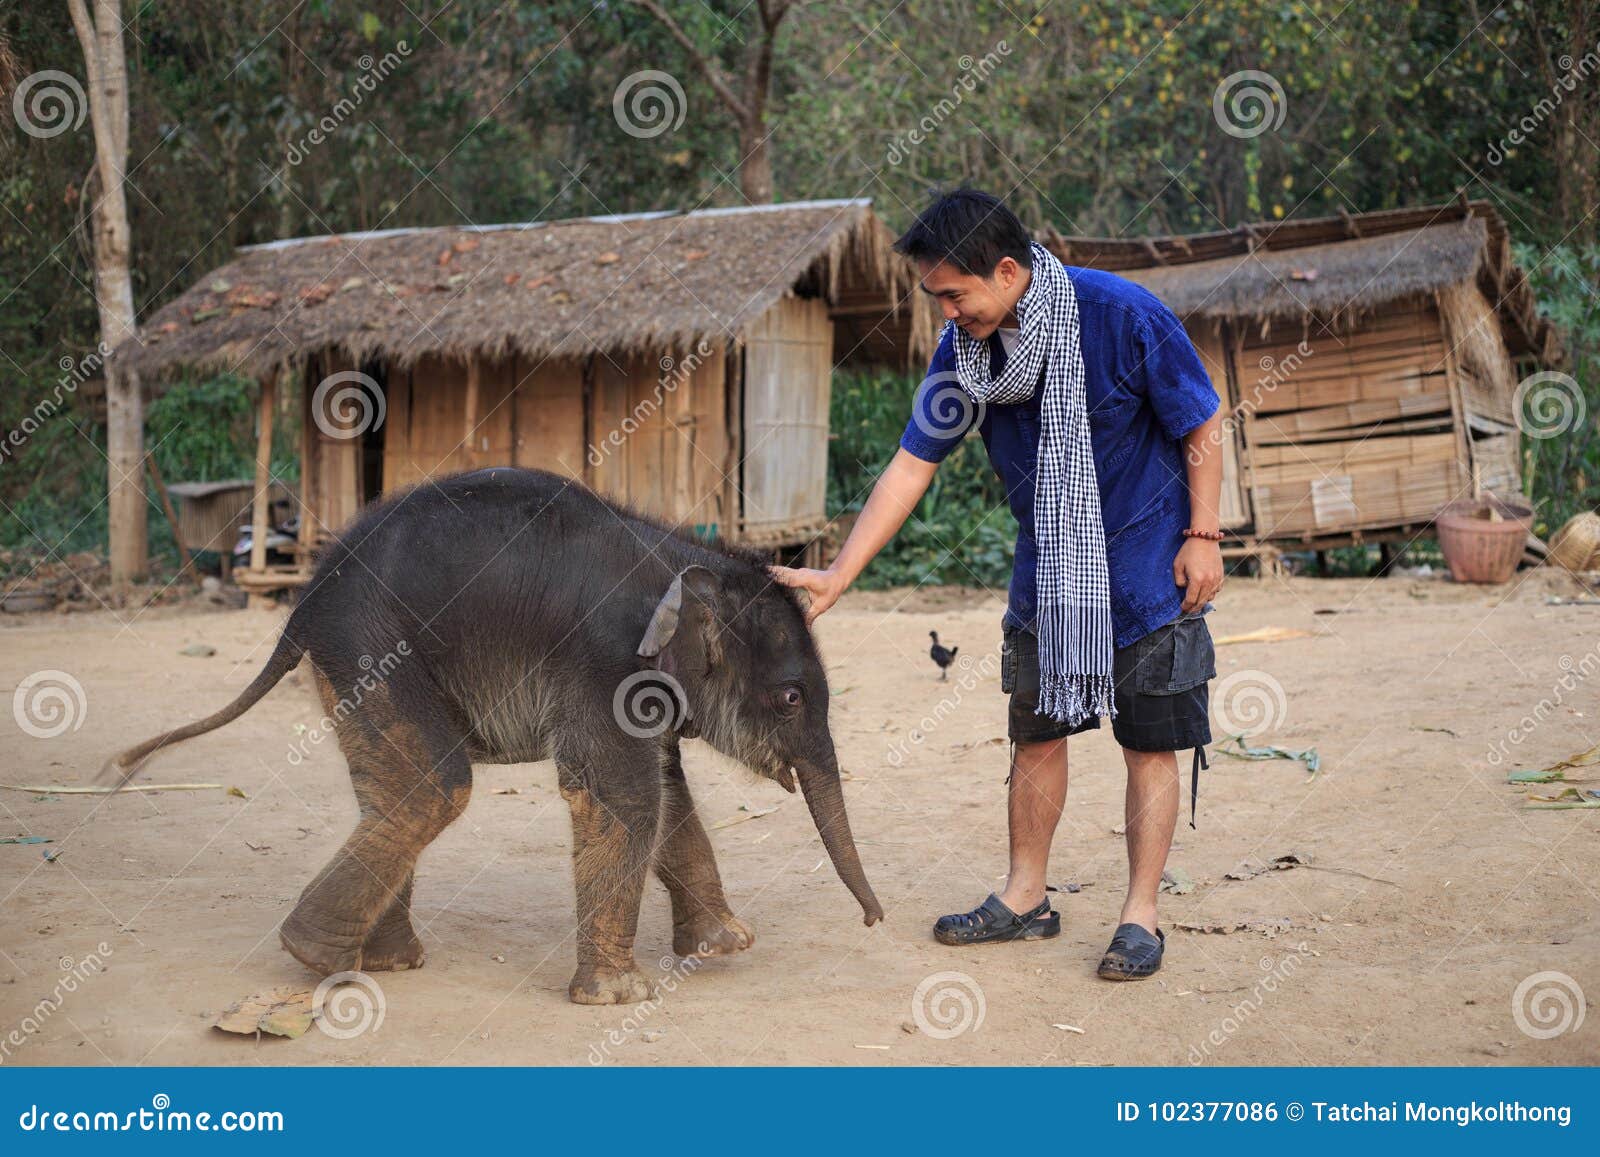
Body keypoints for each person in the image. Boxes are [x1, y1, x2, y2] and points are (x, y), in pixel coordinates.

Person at [771, 188, 1226, 980]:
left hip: (1153, 567)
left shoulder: (1121, 314)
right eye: (936, 296)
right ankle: (1025, 898)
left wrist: (1204, 534)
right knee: (1036, 736)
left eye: (955, 293)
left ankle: (1139, 916)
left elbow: (1201, 423)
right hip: (1049, 577)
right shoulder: (967, 353)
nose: (947, 312)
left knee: (1150, 744)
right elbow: (915, 461)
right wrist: (841, 572)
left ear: (1008, 271)